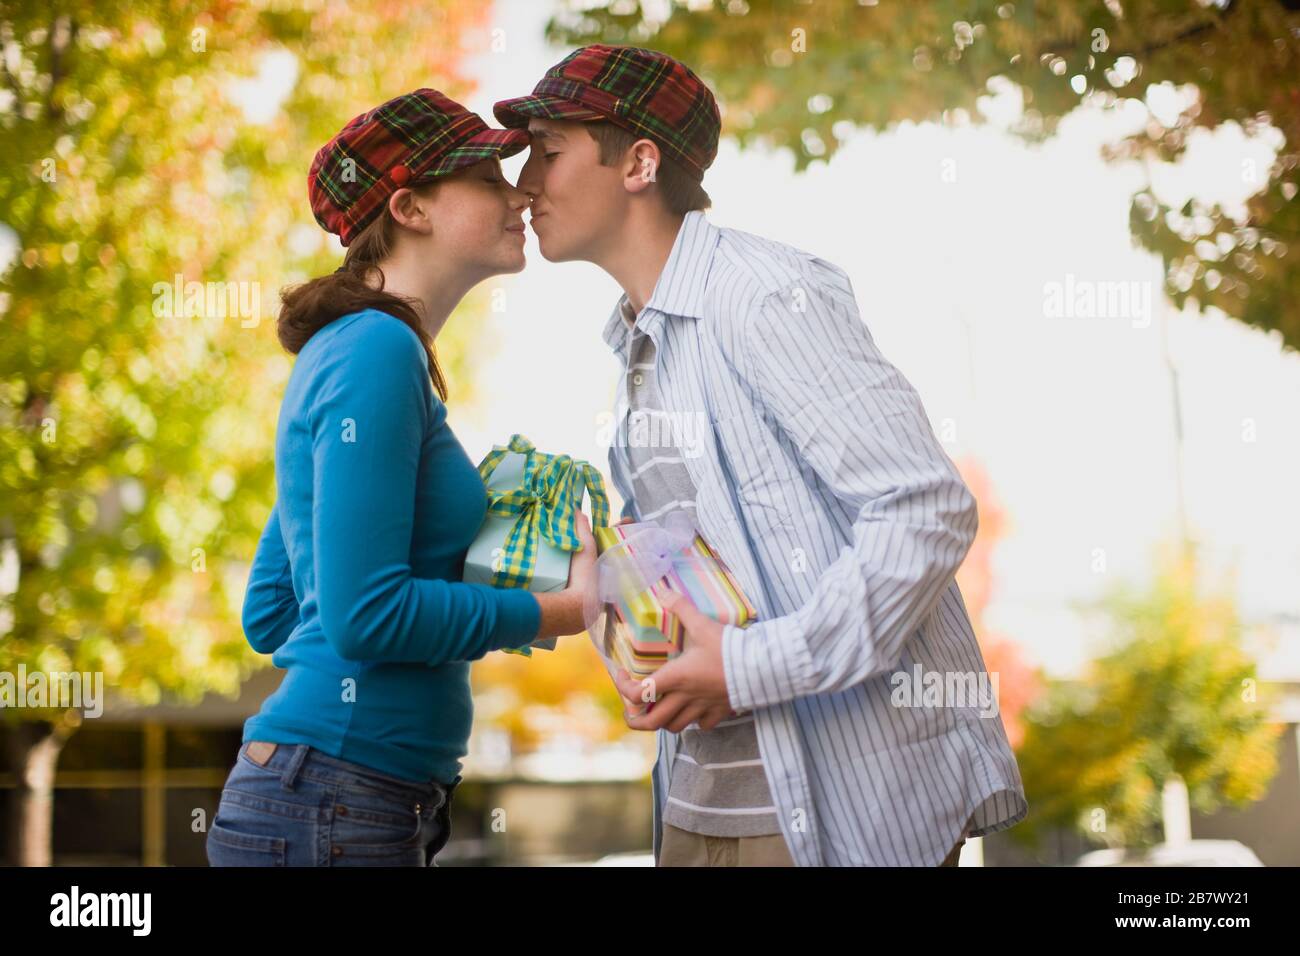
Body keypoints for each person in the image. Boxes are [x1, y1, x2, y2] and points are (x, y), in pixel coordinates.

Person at [494, 45, 1027, 867]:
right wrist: (634, 637)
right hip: (703, 797)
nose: (525, 184)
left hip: (835, 804)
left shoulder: (760, 293)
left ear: (639, 162)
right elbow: (695, 560)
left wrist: (748, 669)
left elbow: (923, 508)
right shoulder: (637, 340)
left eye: (549, 151)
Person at [207, 89, 595, 867]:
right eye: (488, 177)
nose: (519, 191)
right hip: (335, 800)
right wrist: (558, 610)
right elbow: (361, 619)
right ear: (411, 208)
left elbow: (275, 612)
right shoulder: (376, 352)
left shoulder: (346, 350)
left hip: (328, 795)